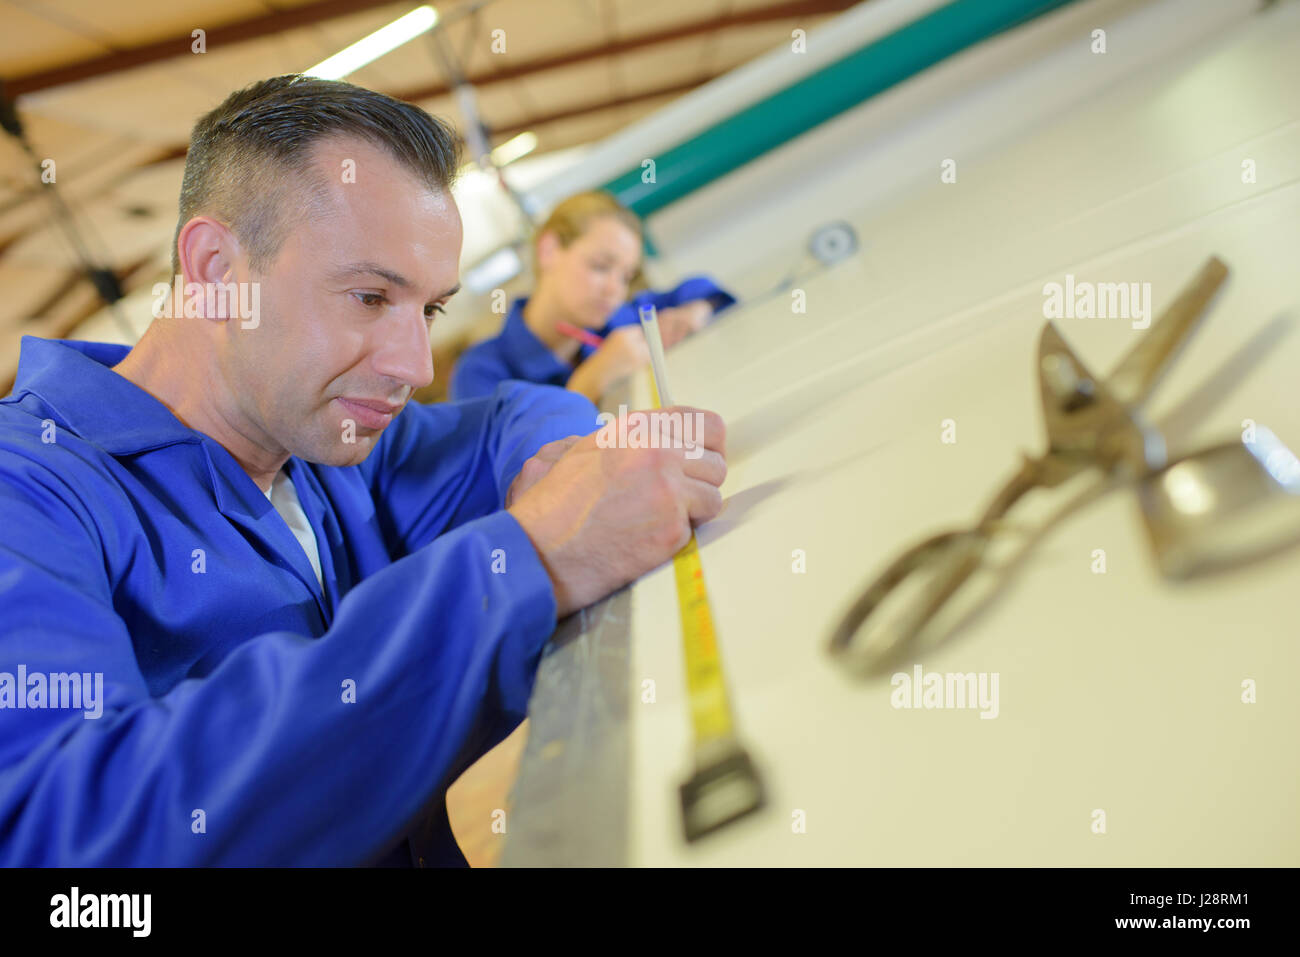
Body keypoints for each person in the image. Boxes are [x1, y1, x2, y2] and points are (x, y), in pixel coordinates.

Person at [0, 75, 727, 866]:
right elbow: (65, 838)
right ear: (214, 270)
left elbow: (513, 415)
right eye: (370, 296)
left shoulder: (330, 444)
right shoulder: (28, 491)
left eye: (431, 309)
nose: (414, 364)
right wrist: (533, 559)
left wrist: (549, 465)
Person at [449, 190, 736, 403]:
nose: (615, 290)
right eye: (601, 266)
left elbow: (700, 288)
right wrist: (587, 385)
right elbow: (501, 475)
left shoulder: (619, 321)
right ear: (548, 250)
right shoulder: (482, 373)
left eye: (626, 276)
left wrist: (696, 310)